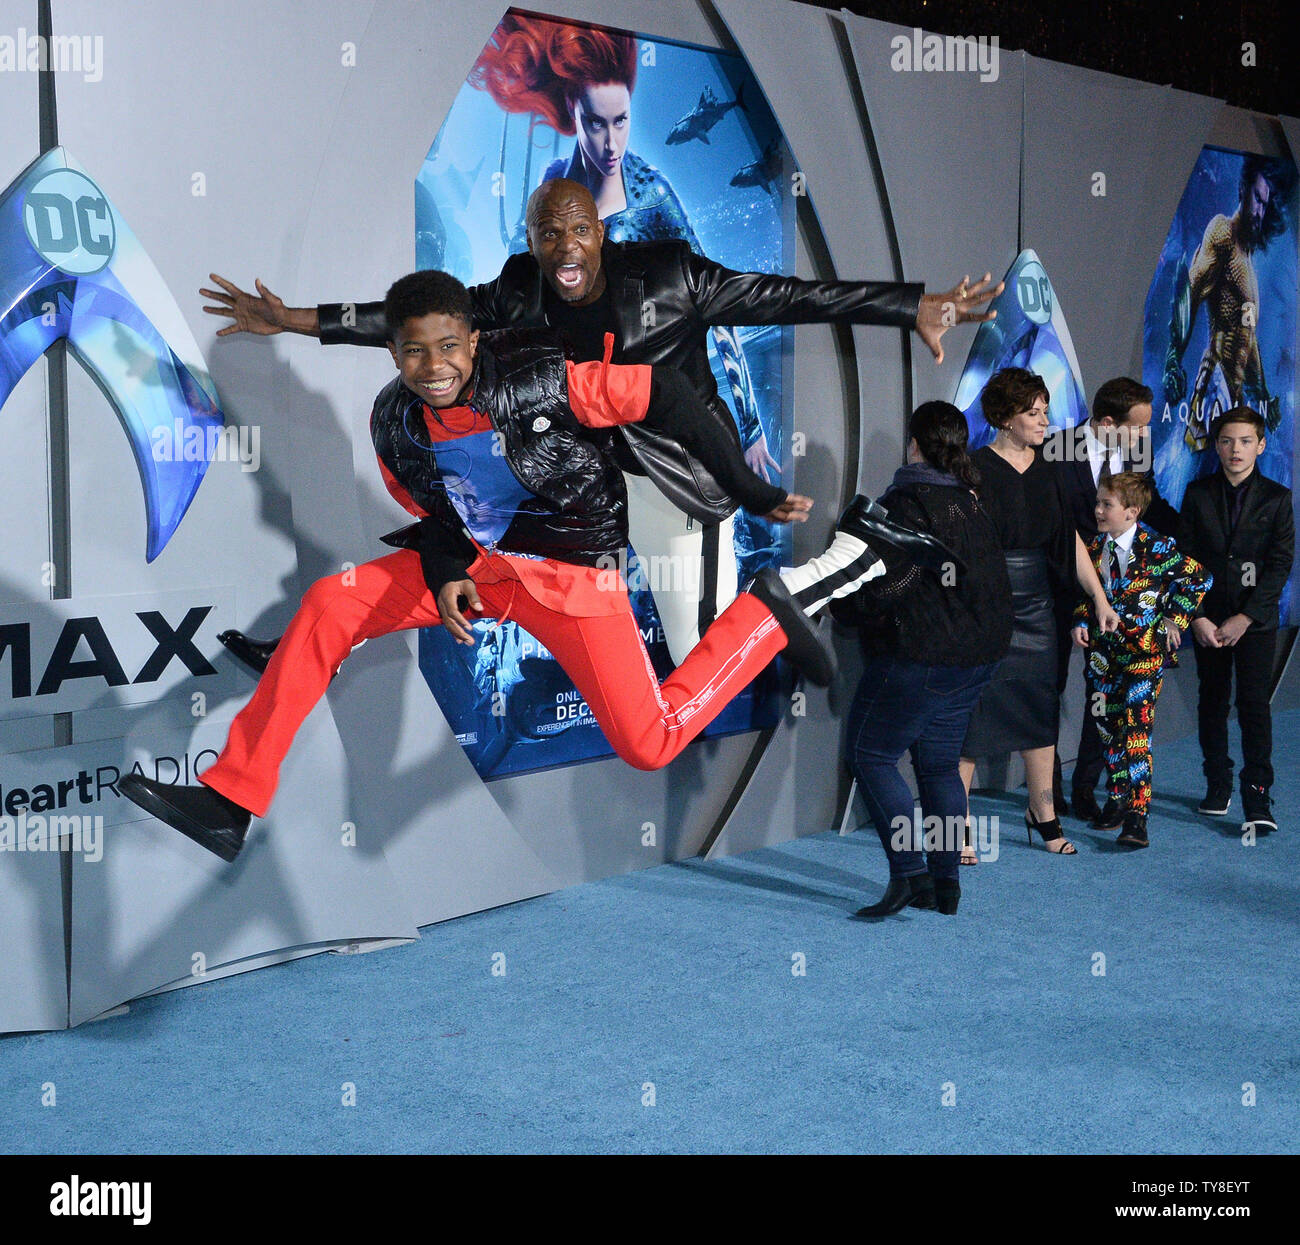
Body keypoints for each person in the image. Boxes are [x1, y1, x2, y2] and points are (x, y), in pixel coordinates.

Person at [118, 271, 893, 862]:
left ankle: (767, 610)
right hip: (485, 572)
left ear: (475, 341)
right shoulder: (395, 422)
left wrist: (751, 486)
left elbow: (664, 395)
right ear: (394, 352)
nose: (433, 364)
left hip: (571, 576)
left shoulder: (542, 378)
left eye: (449, 346)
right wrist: (453, 567)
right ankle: (231, 800)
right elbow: (440, 514)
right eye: (414, 350)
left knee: (651, 741)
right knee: (331, 603)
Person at [201, 180, 1002, 668]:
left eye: (578, 228)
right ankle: (309, 648)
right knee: (456, 553)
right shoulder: (519, 290)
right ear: (532, 242)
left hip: (670, 479)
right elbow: (411, 318)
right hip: (570, 484)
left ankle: (855, 556)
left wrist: (910, 305)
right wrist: (298, 320)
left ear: (602, 231)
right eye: (549, 233)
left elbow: (791, 296)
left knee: (699, 655)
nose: (565, 246)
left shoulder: (674, 277)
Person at [831, 402, 1012, 918]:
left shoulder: (907, 503)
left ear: (914, 444)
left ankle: (909, 876)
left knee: (871, 756)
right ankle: (945, 886)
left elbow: (891, 583)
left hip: (922, 656)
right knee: (938, 767)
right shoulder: (973, 502)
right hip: (976, 659)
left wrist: (849, 611)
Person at [959, 368, 1118, 859]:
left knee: (1038, 713)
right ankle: (956, 827)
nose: (1045, 420)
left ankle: (1043, 814)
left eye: (1046, 410)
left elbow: (1068, 541)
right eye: (1034, 412)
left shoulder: (1050, 467)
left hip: (1038, 605)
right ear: (1005, 418)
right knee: (970, 719)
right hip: (986, 602)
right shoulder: (973, 468)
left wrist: (1099, 597)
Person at [1044, 376, 1181, 822]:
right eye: (1137, 427)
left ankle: (1088, 787)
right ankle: (1047, 788)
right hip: (1061, 592)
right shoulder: (1057, 451)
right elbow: (1055, 528)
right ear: (1106, 422)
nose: (1145, 436)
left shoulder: (1138, 453)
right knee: (1051, 688)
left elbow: (1148, 510)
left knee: (1102, 692)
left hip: (1120, 596)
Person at [1072, 473, 1211, 848]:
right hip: (1102, 655)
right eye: (1098, 503)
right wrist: (1080, 621)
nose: (1098, 510)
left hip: (1145, 654)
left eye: (1107, 505)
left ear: (1132, 512)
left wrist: (1174, 619)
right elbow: (1085, 593)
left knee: (1136, 729)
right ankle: (1117, 796)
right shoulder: (1091, 546)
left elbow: (1199, 579)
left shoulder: (1159, 547)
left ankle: (1138, 815)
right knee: (1105, 724)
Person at [1182, 407, 1294, 834]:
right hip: (1208, 621)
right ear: (1216, 444)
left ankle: (1258, 794)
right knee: (1211, 701)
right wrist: (1197, 617)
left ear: (1261, 445)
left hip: (1255, 624)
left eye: (1246, 441)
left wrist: (1246, 617)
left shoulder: (1277, 498)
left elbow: (1280, 565)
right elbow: (1185, 560)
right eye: (1227, 441)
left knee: (1253, 705)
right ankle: (1217, 783)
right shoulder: (1197, 494)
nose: (1235, 449)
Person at [1164, 156, 1286, 451]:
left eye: (1264, 204)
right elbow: (1190, 294)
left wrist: (1264, 394)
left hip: (1235, 398)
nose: (1259, 211)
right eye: (1257, 199)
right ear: (1243, 190)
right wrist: (1172, 360)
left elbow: (1249, 340)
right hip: (1213, 387)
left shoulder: (1249, 264)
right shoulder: (1222, 233)